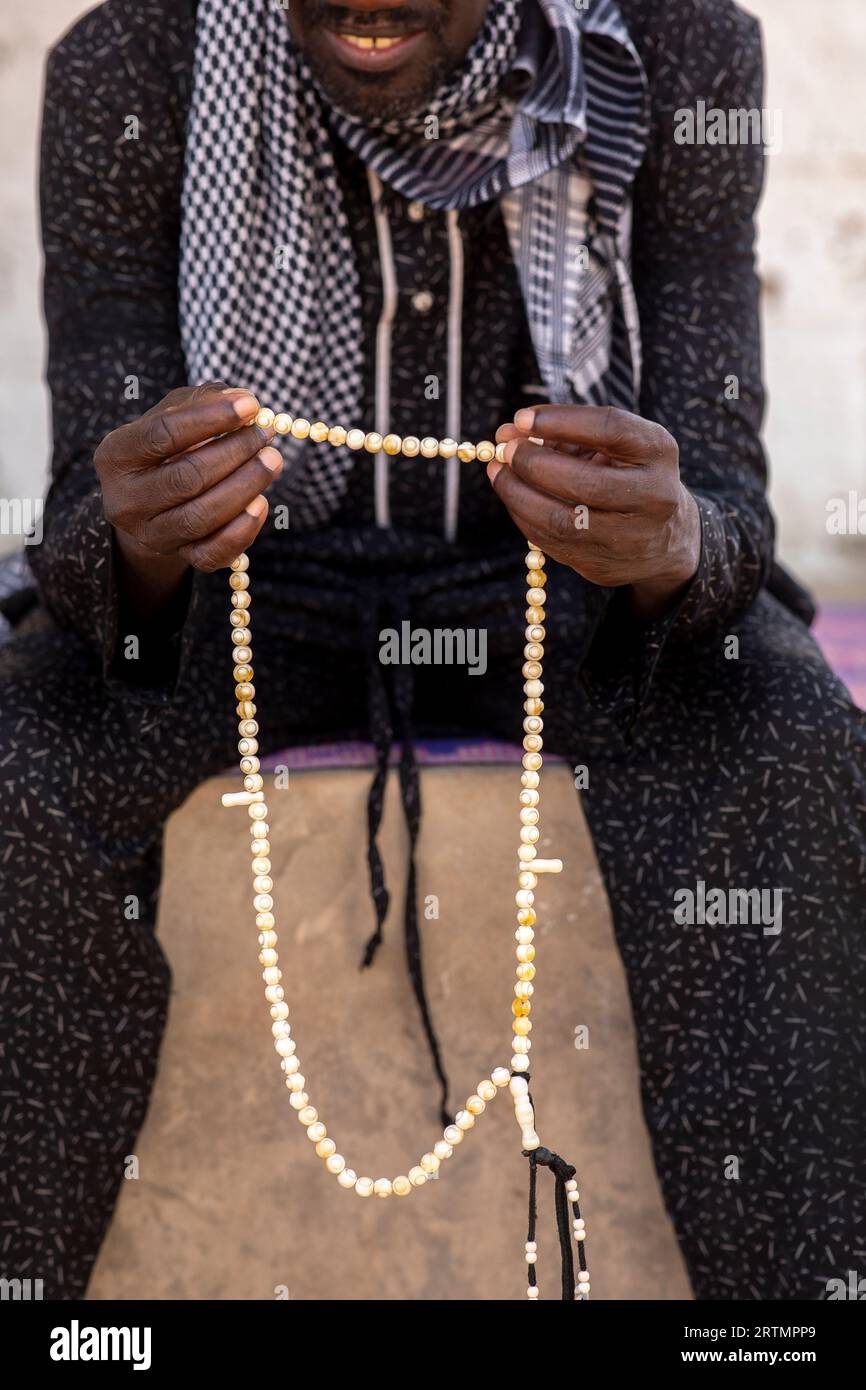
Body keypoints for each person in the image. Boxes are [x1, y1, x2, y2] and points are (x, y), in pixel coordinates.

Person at [1, 0, 864, 1301]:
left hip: (564, 598)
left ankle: (792, 1317)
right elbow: (87, 534)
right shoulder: (131, 63)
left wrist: (673, 538)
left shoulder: (680, 49)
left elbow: (726, 509)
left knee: (787, 732)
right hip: (243, 602)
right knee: (19, 759)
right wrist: (139, 541)